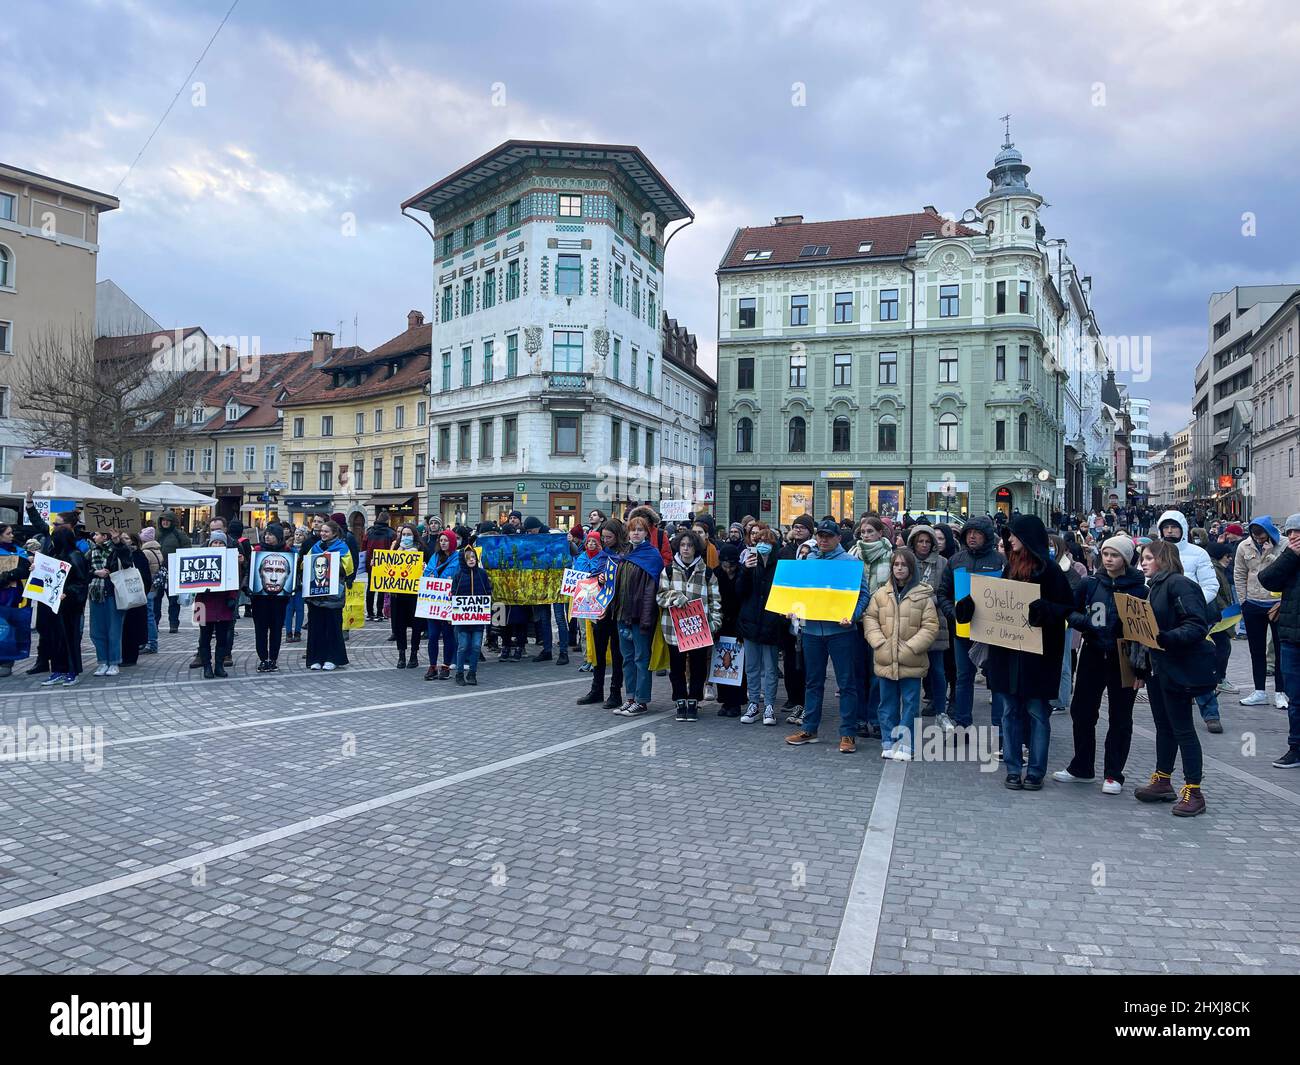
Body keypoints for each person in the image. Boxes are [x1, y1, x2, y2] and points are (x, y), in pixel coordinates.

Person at [983, 515, 1074, 791]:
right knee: (1009, 711)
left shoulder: (1051, 572)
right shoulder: (1009, 568)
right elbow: (994, 604)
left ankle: (1035, 771)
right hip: (1008, 654)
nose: (1008, 540)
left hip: (1038, 658)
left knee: (1037, 713)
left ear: (1028, 539)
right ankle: (1013, 768)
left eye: (1013, 535)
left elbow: (1067, 608)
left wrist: (1045, 610)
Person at [1053, 536, 1147, 793]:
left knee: (1120, 715)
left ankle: (1114, 774)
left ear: (1126, 559)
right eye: (1105, 553)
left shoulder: (1140, 589)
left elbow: (1144, 632)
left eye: (1114, 555)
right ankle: (1082, 766)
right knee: (1082, 711)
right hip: (1093, 651)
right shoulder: (1090, 583)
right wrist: (1085, 622)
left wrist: (1141, 668)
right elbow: (1069, 611)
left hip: (1124, 655)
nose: (1108, 559)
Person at [1133, 540, 1211, 815]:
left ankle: (1194, 791)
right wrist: (1142, 668)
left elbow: (1195, 624)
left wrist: (1166, 638)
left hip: (1177, 666)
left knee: (1183, 729)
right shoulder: (1154, 587)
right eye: (1142, 558)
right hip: (1159, 667)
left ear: (1163, 559)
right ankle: (1162, 778)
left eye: (1148, 557)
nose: (1143, 562)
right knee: (1164, 727)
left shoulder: (1180, 585)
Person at [785, 520, 872, 753]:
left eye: (828, 536)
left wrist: (852, 616)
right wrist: (792, 608)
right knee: (813, 682)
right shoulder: (809, 560)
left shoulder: (851, 563)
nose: (823, 539)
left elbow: (864, 595)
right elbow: (798, 594)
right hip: (812, 630)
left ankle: (848, 734)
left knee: (847, 684)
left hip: (841, 632)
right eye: (820, 535)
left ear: (838, 538)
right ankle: (810, 728)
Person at [865, 546, 939, 760]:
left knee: (910, 704)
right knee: (886, 703)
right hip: (885, 658)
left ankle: (906, 743)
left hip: (911, 660)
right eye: (895, 565)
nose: (899, 568)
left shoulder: (922, 596)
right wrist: (879, 642)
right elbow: (870, 618)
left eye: (903, 565)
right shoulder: (881, 594)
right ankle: (888, 741)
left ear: (911, 568)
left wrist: (911, 647)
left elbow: (930, 626)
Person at [937, 515, 1007, 738]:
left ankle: (1000, 729)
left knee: (996, 680)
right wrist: (953, 614)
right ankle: (962, 724)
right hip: (963, 631)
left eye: (977, 533)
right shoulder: (956, 560)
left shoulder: (1001, 562)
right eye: (969, 533)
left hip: (993, 632)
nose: (972, 536)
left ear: (987, 536)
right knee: (963, 677)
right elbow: (943, 593)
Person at [656, 528, 722, 722]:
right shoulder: (668, 570)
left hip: (699, 629)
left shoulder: (707, 572)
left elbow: (715, 600)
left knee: (698, 666)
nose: (686, 549)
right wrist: (675, 597)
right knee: (676, 666)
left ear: (696, 548)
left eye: (690, 545)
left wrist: (715, 623)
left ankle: (694, 698)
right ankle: (679, 699)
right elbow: (660, 596)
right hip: (674, 628)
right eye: (683, 545)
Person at [1257, 513, 1300, 770]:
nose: (1294, 537)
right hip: (1291, 638)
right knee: (1295, 699)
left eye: (1298, 532)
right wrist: (1290, 557)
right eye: (1290, 532)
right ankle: (1295, 747)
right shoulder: (1289, 558)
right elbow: (1267, 579)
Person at [612, 514, 664, 716]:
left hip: (640, 616)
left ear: (646, 533)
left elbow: (652, 591)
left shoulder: (652, 556)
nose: (635, 532)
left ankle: (641, 701)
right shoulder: (624, 553)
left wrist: (646, 617)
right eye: (632, 529)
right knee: (627, 658)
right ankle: (630, 697)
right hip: (622, 614)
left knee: (641, 658)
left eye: (640, 529)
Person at [1234, 515, 1285, 708]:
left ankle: (1281, 692)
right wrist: (1243, 601)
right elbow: (1239, 573)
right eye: (1255, 535)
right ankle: (1259, 691)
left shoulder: (1283, 544)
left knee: (1280, 650)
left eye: (1262, 535)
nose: (1259, 539)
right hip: (1253, 603)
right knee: (1256, 650)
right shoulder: (1244, 546)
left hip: (1277, 603)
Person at [736, 521, 783, 726]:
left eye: (767, 541)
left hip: (771, 624)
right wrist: (746, 571)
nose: (763, 544)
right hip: (750, 622)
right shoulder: (749, 564)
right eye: (759, 541)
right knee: (752, 667)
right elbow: (740, 591)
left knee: (771, 669)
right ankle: (753, 703)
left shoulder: (779, 565)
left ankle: (770, 705)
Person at [577, 520, 626, 708]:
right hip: (600, 608)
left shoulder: (625, 554)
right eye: (603, 537)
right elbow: (591, 576)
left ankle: (615, 693)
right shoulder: (603, 554)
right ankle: (596, 690)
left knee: (616, 652)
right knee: (598, 650)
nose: (605, 540)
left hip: (618, 610)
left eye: (608, 537)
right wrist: (599, 577)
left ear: (618, 535)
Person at [906, 525, 949, 722]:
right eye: (920, 541)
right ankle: (910, 709)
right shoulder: (906, 561)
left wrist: (931, 600)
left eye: (927, 541)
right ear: (913, 543)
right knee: (912, 669)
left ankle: (941, 709)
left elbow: (945, 591)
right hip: (911, 622)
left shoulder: (943, 563)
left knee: (938, 670)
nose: (924, 545)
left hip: (935, 622)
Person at [39, 525, 90, 687]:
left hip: (69, 605)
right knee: (56, 637)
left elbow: (82, 581)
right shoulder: (57, 554)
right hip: (55, 602)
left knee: (69, 638)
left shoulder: (75, 556)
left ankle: (72, 671)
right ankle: (59, 669)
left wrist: (68, 593)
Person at [777, 515, 815, 723]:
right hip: (788, 615)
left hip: (808, 615)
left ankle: (807, 700)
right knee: (791, 659)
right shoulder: (785, 552)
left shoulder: (816, 553)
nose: (798, 530)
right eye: (796, 527)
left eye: (802, 527)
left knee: (807, 661)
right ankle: (793, 698)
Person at [304, 520, 354, 671]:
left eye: (326, 531)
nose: (323, 534)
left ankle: (332, 658)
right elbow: (305, 564)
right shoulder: (315, 547)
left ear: (334, 533)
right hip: (316, 596)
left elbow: (349, 568)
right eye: (321, 531)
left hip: (333, 596)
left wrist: (332, 561)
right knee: (316, 627)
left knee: (332, 627)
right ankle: (315, 658)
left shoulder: (342, 547)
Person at [85, 529, 133, 677]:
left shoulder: (115, 550)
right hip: (95, 593)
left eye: (97, 534)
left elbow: (127, 561)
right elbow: (82, 569)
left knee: (113, 629)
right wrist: (95, 572)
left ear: (105, 536)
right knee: (97, 630)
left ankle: (114, 662)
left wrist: (118, 541)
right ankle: (102, 661)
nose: (94, 536)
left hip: (113, 593)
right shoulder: (91, 551)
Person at [383, 522, 428, 672]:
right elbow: (387, 567)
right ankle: (401, 654)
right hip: (398, 594)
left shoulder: (422, 549)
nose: (406, 537)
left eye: (409, 534)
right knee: (399, 625)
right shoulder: (396, 548)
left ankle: (414, 654)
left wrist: (424, 567)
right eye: (404, 534)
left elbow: (429, 570)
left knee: (416, 626)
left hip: (414, 595)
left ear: (414, 536)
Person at [194, 529, 237, 679]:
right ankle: (207, 666)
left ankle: (219, 665)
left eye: (220, 542)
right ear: (210, 543)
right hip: (203, 603)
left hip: (223, 603)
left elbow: (233, 580)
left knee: (222, 637)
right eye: (215, 542)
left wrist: (232, 597)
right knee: (204, 637)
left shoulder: (230, 559)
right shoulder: (201, 558)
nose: (218, 544)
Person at [249, 522, 292, 672]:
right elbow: (251, 572)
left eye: (271, 534)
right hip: (260, 599)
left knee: (276, 629)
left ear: (279, 537)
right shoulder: (257, 550)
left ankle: (273, 658)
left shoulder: (287, 551)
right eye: (266, 534)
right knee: (260, 630)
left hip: (279, 600)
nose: (267, 537)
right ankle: (263, 658)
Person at [712, 541, 748, 718]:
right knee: (722, 664)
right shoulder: (716, 574)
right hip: (721, 623)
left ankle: (736, 702)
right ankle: (725, 700)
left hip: (738, 623)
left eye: (732, 565)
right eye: (725, 564)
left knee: (738, 666)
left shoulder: (742, 573)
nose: (728, 569)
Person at [451, 543, 492, 685]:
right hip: (463, 620)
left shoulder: (482, 574)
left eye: (473, 557)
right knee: (462, 646)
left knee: (475, 646)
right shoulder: (459, 575)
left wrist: (487, 603)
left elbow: (488, 591)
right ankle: (459, 673)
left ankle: (472, 673)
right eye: (468, 557)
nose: (471, 560)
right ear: (463, 559)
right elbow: (453, 595)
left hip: (477, 619)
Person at [423, 530, 460, 678]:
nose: (443, 543)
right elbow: (427, 572)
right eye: (441, 540)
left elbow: (457, 576)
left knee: (448, 635)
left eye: (446, 540)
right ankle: (432, 666)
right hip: (433, 602)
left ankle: (445, 666)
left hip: (448, 603)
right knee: (432, 635)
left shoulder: (458, 558)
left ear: (452, 542)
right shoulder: (435, 556)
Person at [0, 524, 32, 677]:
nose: (12, 535)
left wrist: (9, 575)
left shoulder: (18, 550)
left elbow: (25, 568)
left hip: (12, 598)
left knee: (9, 629)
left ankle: (6, 662)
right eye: (8, 533)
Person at [118, 532, 153, 668]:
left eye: (127, 538)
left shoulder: (139, 555)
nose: (124, 541)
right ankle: (123, 654)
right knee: (123, 627)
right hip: (122, 594)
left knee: (132, 627)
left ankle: (130, 657)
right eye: (123, 538)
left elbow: (145, 577)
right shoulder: (118, 553)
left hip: (135, 595)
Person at [154, 509, 192, 634]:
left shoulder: (179, 534)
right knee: (156, 599)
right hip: (158, 572)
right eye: (163, 520)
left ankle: (174, 624)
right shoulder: (157, 535)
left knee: (173, 600)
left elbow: (187, 551)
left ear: (172, 522)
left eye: (168, 520)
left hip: (173, 571)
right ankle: (154, 624)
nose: (165, 522)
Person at [363, 510, 396, 620]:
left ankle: (370, 612)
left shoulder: (369, 532)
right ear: (387, 520)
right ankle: (379, 612)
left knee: (370, 588)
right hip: (385, 564)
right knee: (382, 587)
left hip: (370, 563)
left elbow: (363, 548)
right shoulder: (391, 533)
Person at [138, 527, 163, 654]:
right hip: (154, 586)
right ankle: (150, 642)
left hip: (148, 587)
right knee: (150, 613)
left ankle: (151, 643)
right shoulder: (157, 550)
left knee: (148, 615)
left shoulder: (146, 552)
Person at [284, 525, 307, 643]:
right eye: (296, 534)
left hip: (301, 582)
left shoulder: (306, 548)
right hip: (289, 581)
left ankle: (297, 631)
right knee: (289, 608)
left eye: (300, 534)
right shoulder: (289, 548)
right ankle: (288, 632)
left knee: (299, 608)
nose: (298, 537)